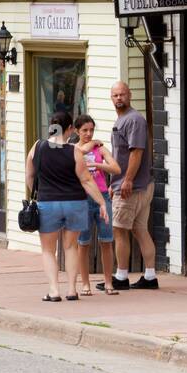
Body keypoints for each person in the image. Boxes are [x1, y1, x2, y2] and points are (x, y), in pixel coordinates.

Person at [26, 110, 110, 302]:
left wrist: (39, 194)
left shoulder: (38, 147)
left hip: (48, 203)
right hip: (75, 203)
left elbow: (29, 175)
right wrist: (101, 202)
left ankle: (54, 291)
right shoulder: (74, 151)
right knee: (71, 247)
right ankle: (72, 290)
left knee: (48, 250)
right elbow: (86, 180)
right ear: (71, 129)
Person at [103, 81, 157, 291]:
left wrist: (126, 180)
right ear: (111, 97)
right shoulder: (123, 120)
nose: (119, 98)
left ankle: (121, 277)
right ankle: (150, 276)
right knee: (140, 230)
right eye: (115, 95)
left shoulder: (133, 120)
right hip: (136, 184)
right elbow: (120, 155)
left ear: (130, 95)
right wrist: (113, 182)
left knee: (119, 230)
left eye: (122, 94)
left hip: (132, 187)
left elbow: (136, 152)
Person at [72, 114, 120, 296]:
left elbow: (116, 168)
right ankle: (85, 284)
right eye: (84, 130)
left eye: (91, 130)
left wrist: (98, 165)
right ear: (77, 131)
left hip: (102, 197)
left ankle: (108, 282)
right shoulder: (73, 149)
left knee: (106, 241)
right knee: (83, 243)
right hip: (81, 198)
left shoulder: (100, 148)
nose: (89, 133)